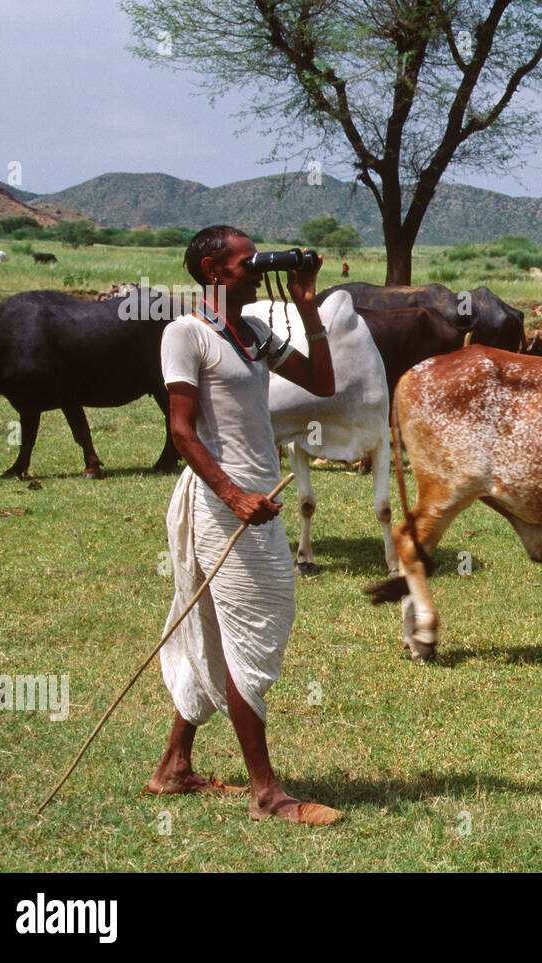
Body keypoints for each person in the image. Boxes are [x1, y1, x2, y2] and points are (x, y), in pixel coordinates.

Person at [146, 225, 340, 825]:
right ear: (213, 269)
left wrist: (309, 310)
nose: (258, 268)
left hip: (256, 498)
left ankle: (174, 766)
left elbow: (323, 384)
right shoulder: (185, 333)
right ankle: (266, 794)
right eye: (245, 261)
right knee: (249, 634)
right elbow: (181, 431)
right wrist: (232, 494)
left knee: (220, 627)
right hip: (220, 502)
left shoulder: (252, 332)